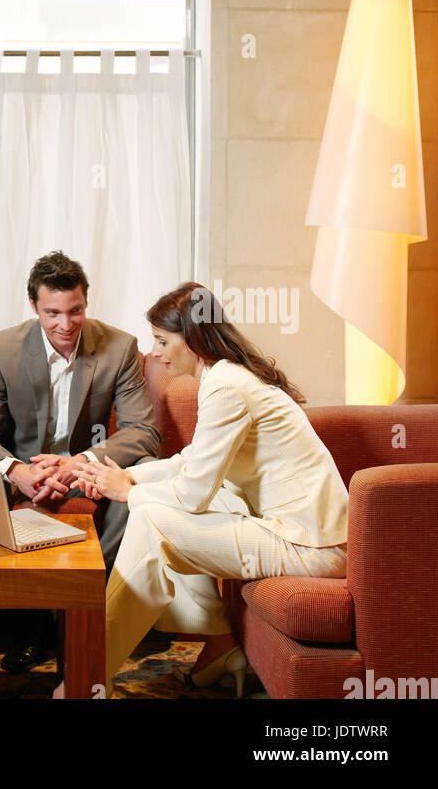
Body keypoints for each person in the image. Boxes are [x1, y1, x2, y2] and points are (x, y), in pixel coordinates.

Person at [66, 281, 349, 698]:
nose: (157, 353)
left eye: (163, 341)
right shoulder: (226, 376)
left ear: (193, 339)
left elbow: (192, 494)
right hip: (297, 531)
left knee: (152, 519)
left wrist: (128, 494)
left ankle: (85, 677)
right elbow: (193, 462)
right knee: (163, 504)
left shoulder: (227, 386)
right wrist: (131, 477)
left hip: (312, 547)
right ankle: (219, 644)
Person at [0, 249, 160, 673]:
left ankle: (82, 619)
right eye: (52, 313)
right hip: (24, 469)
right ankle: (40, 624)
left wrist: (81, 462)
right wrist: (19, 471)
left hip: (88, 467)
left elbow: (143, 431)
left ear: (86, 302)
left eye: (75, 310)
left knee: (133, 493)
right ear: (34, 307)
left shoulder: (120, 347)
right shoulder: (3, 348)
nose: (65, 325)